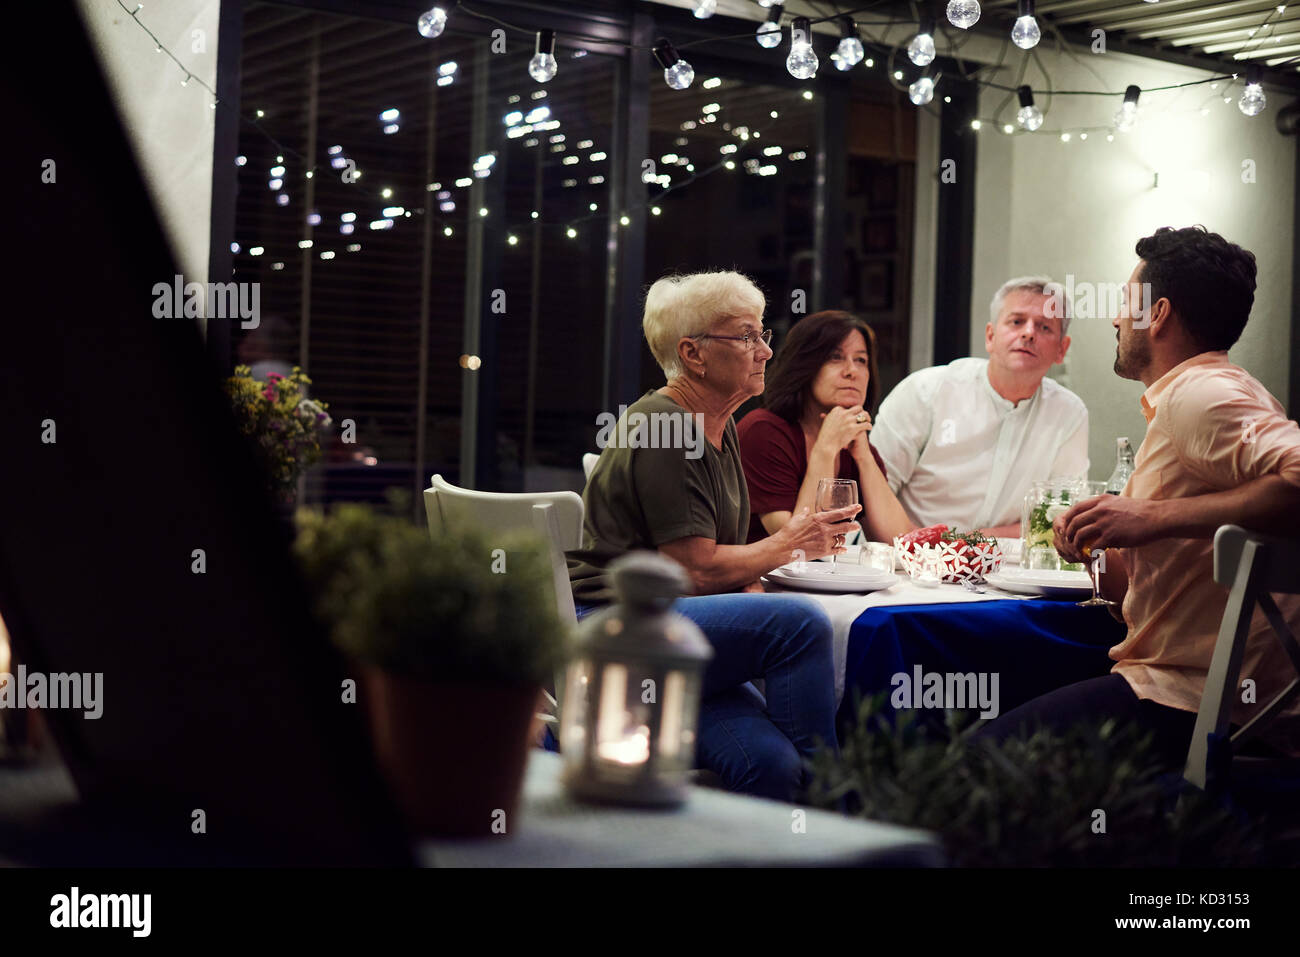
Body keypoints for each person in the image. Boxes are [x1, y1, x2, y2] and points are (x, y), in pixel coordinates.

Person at [979, 226, 1300, 764]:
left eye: (1127, 303)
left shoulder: (1202, 394)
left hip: (1194, 703)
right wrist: (1094, 545)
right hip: (1189, 688)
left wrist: (1153, 516)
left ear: (1159, 314)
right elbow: (1134, 593)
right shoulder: (1205, 394)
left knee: (967, 765)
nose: (1115, 318)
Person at [568, 270, 858, 802]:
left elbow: (713, 567)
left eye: (763, 335)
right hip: (622, 632)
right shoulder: (668, 426)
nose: (766, 352)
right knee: (799, 624)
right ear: (693, 354)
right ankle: (835, 813)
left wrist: (758, 569)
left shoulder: (714, 429)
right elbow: (693, 570)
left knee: (772, 766)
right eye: (747, 336)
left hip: (669, 629)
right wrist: (794, 541)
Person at [869, 277, 1089, 536]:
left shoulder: (1069, 414)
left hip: (1007, 568)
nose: (1028, 333)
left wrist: (970, 544)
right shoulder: (925, 391)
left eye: (1044, 327)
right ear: (990, 336)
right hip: (906, 562)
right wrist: (929, 551)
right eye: (1016, 321)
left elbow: (1061, 518)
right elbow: (872, 493)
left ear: (1061, 350)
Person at [737, 310, 912, 544]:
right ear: (805, 366)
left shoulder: (857, 447)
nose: (852, 371)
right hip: (762, 578)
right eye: (835, 357)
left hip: (823, 578)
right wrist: (826, 448)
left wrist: (864, 458)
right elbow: (795, 545)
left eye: (861, 360)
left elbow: (898, 540)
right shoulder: (763, 432)